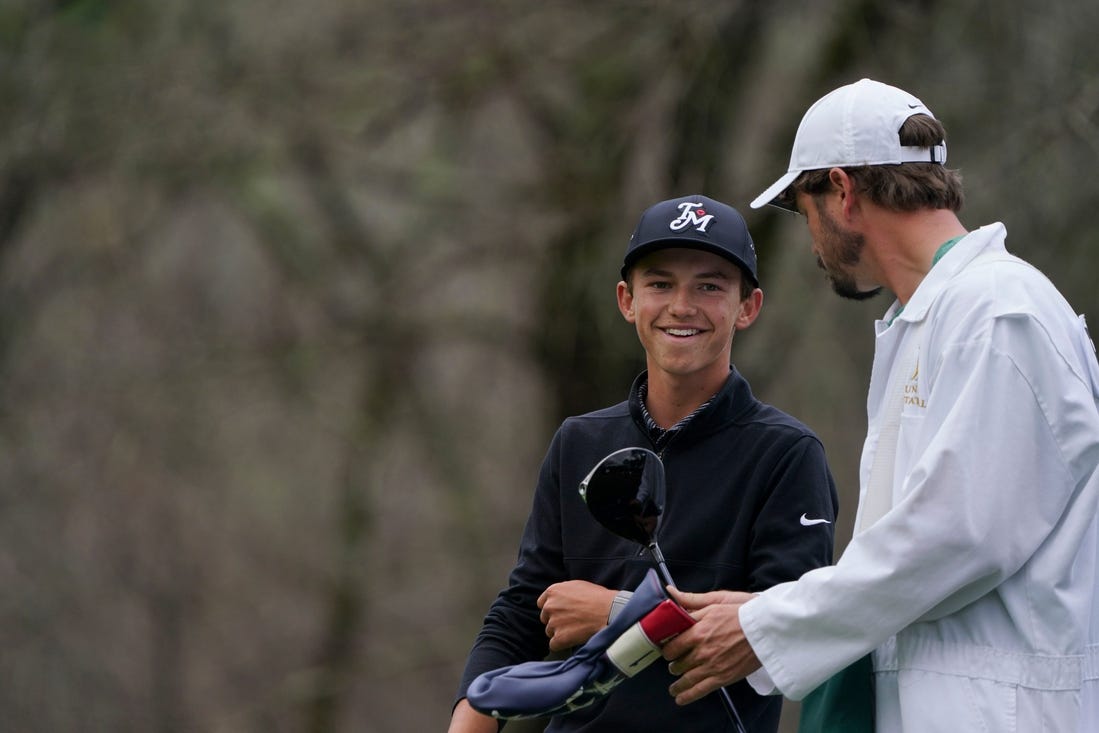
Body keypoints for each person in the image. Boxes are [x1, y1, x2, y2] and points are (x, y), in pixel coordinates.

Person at [660, 79, 1099, 732]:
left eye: (803, 209)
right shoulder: (936, 316)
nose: (811, 239)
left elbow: (954, 536)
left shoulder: (999, 313)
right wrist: (765, 616)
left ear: (841, 191)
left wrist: (766, 624)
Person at [448, 195, 840, 732]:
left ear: (748, 307)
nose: (682, 306)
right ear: (627, 300)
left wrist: (617, 613)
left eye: (709, 286)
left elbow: (790, 630)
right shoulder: (579, 440)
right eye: (659, 284)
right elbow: (522, 611)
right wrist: (469, 720)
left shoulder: (787, 454)